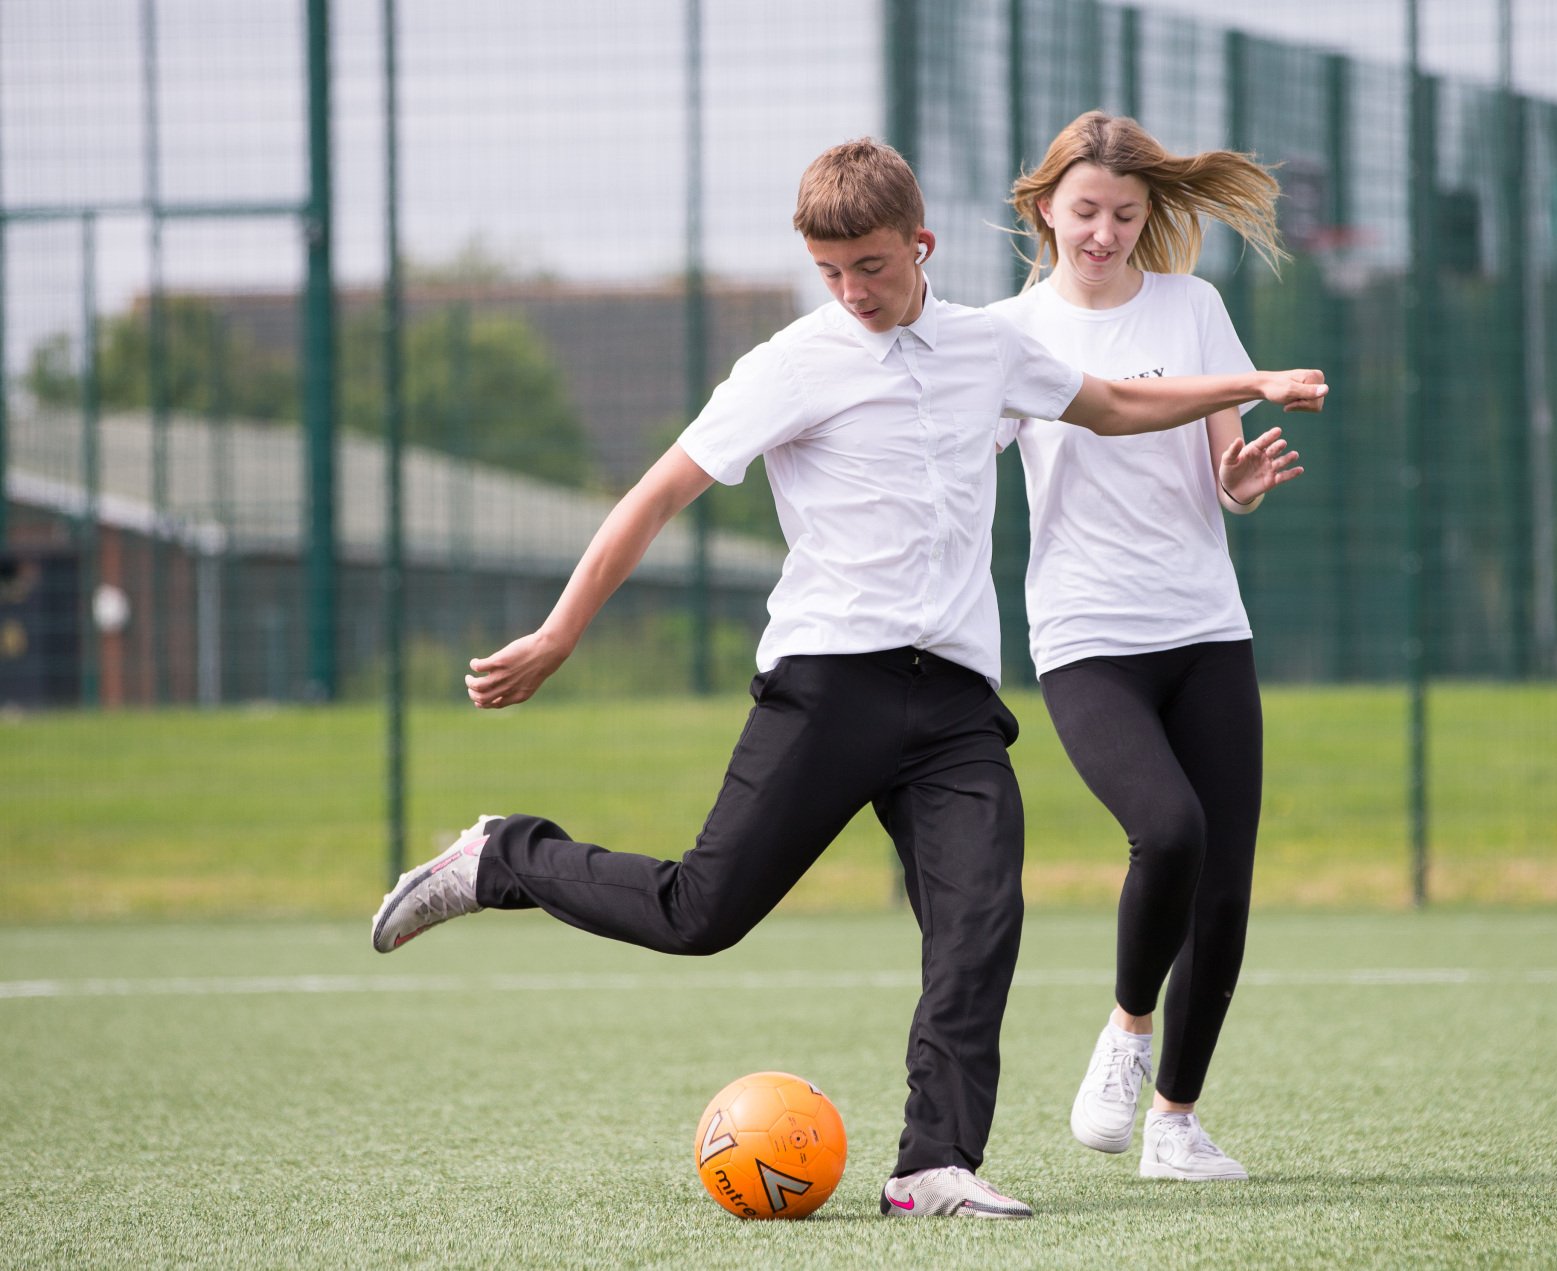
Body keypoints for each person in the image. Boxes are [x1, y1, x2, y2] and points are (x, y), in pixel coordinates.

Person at [369, 137, 1328, 1220]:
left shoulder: (985, 347)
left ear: (918, 244)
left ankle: (932, 1163)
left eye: (870, 266)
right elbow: (655, 494)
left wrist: (1246, 384)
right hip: (828, 684)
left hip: (958, 702)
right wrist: (556, 633)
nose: (852, 291)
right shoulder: (789, 363)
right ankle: (503, 854)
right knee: (702, 911)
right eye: (829, 272)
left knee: (978, 921)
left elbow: (1109, 402)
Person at [989, 110, 1309, 1183]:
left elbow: (1225, 460)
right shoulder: (1009, 333)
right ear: (1045, 208)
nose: (1105, 232)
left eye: (1126, 214)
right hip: (1086, 637)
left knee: (1224, 883)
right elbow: (953, 447)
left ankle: (1175, 1120)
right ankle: (1126, 1035)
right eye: (1085, 211)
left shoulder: (1196, 306)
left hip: (1207, 625)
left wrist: (1240, 482)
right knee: (1168, 830)